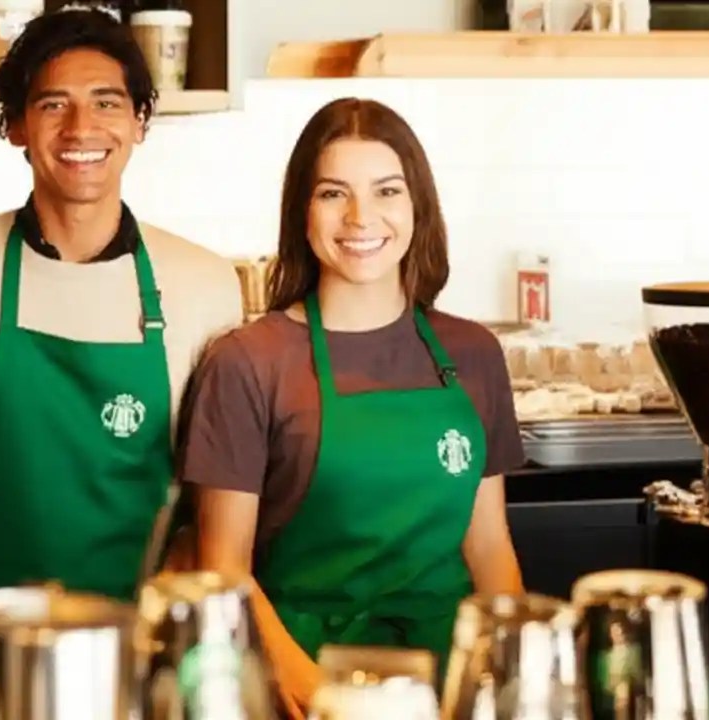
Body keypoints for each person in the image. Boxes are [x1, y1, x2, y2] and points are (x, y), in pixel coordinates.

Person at [178, 97, 526, 717]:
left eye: (387, 190)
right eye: (334, 193)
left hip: (449, 684)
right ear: (302, 212)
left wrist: (513, 677)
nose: (361, 217)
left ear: (417, 204)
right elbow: (223, 571)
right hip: (303, 677)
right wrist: (325, 698)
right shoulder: (248, 362)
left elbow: (489, 546)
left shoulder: (472, 353)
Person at [0, 7, 242, 601]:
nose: (81, 128)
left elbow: (210, 507)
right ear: (16, 126)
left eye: (107, 103)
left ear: (140, 122)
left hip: (141, 642)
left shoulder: (205, 285)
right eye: (53, 104)